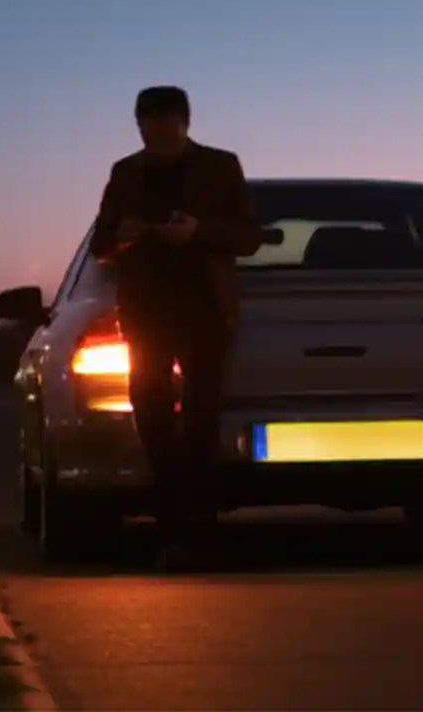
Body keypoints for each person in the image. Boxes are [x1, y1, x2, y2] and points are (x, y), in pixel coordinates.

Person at [88, 86, 261, 571]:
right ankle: (174, 532)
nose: (159, 132)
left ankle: (198, 535)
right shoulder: (126, 173)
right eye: (149, 124)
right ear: (138, 125)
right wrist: (120, 237)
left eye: (168, 123)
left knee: (202, 420)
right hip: (145, 310)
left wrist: (198, 232)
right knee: (152, 413)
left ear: (186, 123)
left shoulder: (220, 166)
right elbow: (100, 243)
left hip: (205, 307)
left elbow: (247, 235)